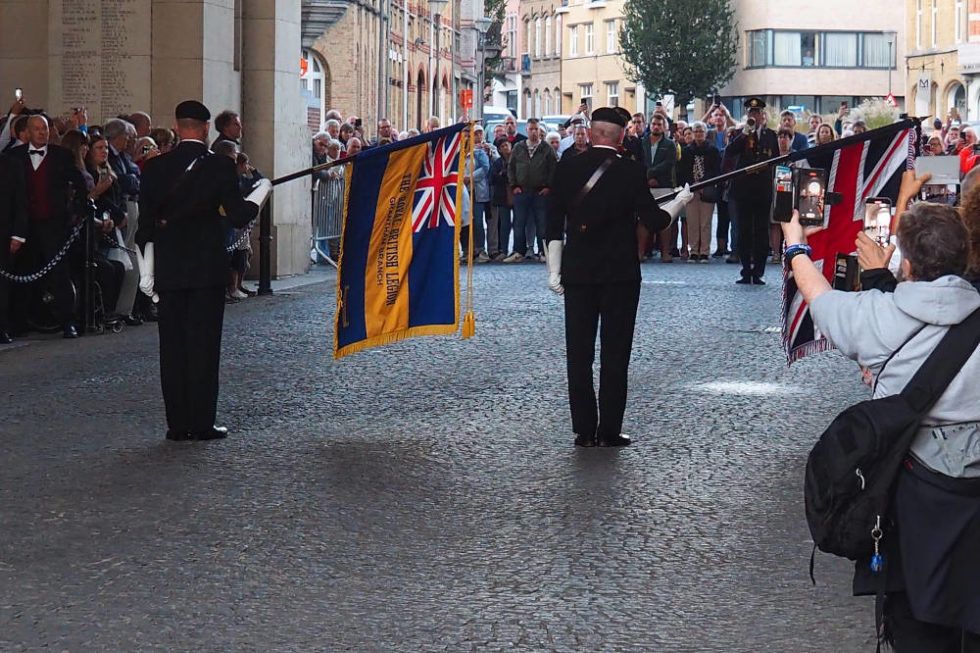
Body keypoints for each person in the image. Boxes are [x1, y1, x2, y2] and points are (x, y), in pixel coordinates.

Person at [782, 203, 980, 652]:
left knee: (915, 615)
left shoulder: (877, 316)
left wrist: (796, 243)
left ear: (906, 262)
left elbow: (817, 295)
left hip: (914, 491)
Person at [545, 107, 690, 447]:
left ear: (592, 134)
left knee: (578, 353)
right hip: (620, 274)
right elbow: (654, 221)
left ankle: (583, 428)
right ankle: (609, 429)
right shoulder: (630, 170)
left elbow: (552, 224)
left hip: (578, 272)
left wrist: (554, 270)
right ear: (621, 136)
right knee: (615, 353)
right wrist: (680, 202)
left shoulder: (566, 167)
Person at [135, 100, 272, 442]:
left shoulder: (154, 169)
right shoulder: (220, 167)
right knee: (203, 347)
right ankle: (202, 422)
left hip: (170, 266)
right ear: (206, 127)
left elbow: (145, 224)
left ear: (178, 126)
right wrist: (261, 192)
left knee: (173, 348)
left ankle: (177, 424)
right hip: (206, 268)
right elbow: (240, 215)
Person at [10, 114, 89, 337]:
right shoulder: (14, 157)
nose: (42, 133)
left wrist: (78, 210)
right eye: (37, 129)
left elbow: (79, 182)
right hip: (23, 226)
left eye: (45, 129)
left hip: (53, 224)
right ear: (27, 132)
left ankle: (67, 322)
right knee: (23, 272)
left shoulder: (61, 156)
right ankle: (18, 322)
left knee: (59, 273)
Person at [725, 97, 778, 285]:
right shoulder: (740, 134)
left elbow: (776, 161)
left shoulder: (771, 135)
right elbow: (729, 152)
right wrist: (744, 134)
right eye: (751, 113)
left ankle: (759, 271)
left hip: (762, 190)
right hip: (743, 190)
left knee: (761, 232)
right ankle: (746, 269)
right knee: (743, 231)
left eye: (757, 113)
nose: (754, 116)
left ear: (763, 116)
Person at [505, 118, 556, 262]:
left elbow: (553, 169)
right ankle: (518, 251)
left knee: (542, 223)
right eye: (531, 129)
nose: (534, 132)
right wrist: (514, 185)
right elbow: (511, 167)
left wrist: (548, 186)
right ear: (526, 130)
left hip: (540, 192)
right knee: (519, 223)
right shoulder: (518, 147)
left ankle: (542, 251)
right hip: (521, 191)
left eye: (536, 129)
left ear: (540, 131)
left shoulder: (546, 148)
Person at [676, 121, 720, 262]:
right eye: (696, 132)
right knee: (692, 222)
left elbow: (716, 170)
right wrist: (692, 183)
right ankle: (694, 250)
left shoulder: (713, 151)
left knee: (705, 223)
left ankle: (705, 251)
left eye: (701, 131)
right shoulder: (687, 151)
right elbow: (682, 171)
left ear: (705, 133)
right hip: (691, 189)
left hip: (707, 190)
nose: (699, 134)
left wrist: (704, 183)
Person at [641, 113, 679, 261]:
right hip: (645, 186)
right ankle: (641, 252)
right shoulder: (642, 142)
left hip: (663, 185)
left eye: (659, 124)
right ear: (650, 126)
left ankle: (665, 253)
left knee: (665, 220)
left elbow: (669, 163)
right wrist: (646, 177)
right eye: (654, 124)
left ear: (664, 127)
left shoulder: (669, 144)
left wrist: (652, 174)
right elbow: (639, 161)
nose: (656, 127)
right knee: (643, 220)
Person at [0, 151, 28, 344]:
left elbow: (20, 201)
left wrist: (18, 234)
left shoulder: (11, 164)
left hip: (4, 234)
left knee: (3, 286)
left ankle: (1, 327)